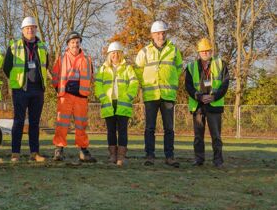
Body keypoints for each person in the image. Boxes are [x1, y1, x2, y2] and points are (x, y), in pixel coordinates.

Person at [135, 21, 183, 167]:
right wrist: (145, 84)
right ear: (152, 35)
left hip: (168, 94)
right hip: (151, 95)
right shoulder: (144, 51)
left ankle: (170, 156)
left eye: (163, 33)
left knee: (169, 128)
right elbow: (138, 70)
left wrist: (170, 81)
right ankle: (150, 156)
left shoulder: (174, 50)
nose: (161, 36)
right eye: (158, 33)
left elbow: (179, 69)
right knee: (150, 128)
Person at [3, 17, 48, 163]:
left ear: (36, 29)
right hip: (21, 89)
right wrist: (16, 81)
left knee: (34, 123)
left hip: (37, 90)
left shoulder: (43, 47)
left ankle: (34, 152)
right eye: (27, 28)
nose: (30, 30)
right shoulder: (14, 46)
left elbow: (45, 65)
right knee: (19, 121)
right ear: (22, 30)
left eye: (33, 27)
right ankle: (15, 153)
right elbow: (6, 67)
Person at [51, 32, 96, 163]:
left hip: (81, 96)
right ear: (68, 45)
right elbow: (55, 76)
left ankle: (83, 151)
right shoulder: (61, 59)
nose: (75, 44)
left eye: (77, 42)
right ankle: (59, 150)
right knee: (62, 123)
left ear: (80, 43)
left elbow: (91, 76)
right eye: (72, 42)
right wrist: (58, 90)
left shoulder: (87, 60)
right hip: (65, 96)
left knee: (81, 124)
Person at [184, 38, 229, 167]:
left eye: (207, 51)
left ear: (211, 51)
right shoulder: (191, 66)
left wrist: (214, 97)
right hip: (198, 105)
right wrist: (198, 96)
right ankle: (199, 160)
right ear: (198, 52)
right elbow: (188, 85)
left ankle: (218, 161)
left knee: (216, 136)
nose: (205, 53)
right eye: (202, 51)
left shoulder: (221, 64)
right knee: (198, 137)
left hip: (214, 105)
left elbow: (225, 84)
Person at [93, 42, 138, 166]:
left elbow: (134, 83)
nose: (115, 55)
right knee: (111, 131)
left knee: (123, 131)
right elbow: (98, 85)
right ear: (109, 55)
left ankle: (121, 156)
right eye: (113, 53)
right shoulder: (102, 69)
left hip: (123, 103)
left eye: (117, 53)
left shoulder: (128, 68)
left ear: (121, 54)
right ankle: (112, 155)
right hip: (108, 103)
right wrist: (102, 97)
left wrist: (129, 96)